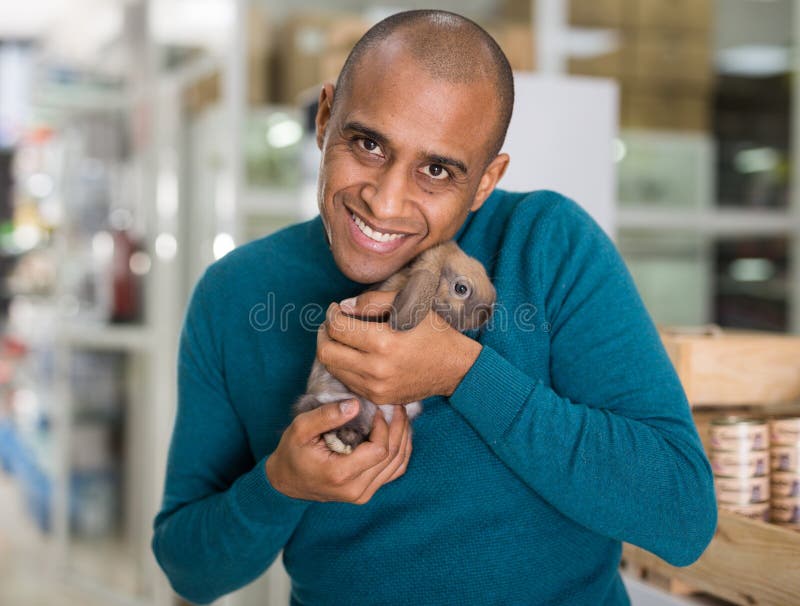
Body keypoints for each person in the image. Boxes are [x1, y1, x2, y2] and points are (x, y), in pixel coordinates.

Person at [152, 9, 716, 605]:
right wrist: (280, 484)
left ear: (485, 182)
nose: (386, 200)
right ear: (324, 119)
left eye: (437, 170)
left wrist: (463, 373)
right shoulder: (236, 294)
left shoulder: (549, 245)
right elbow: (189, 570)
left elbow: (681, 517)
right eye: (368, 144)